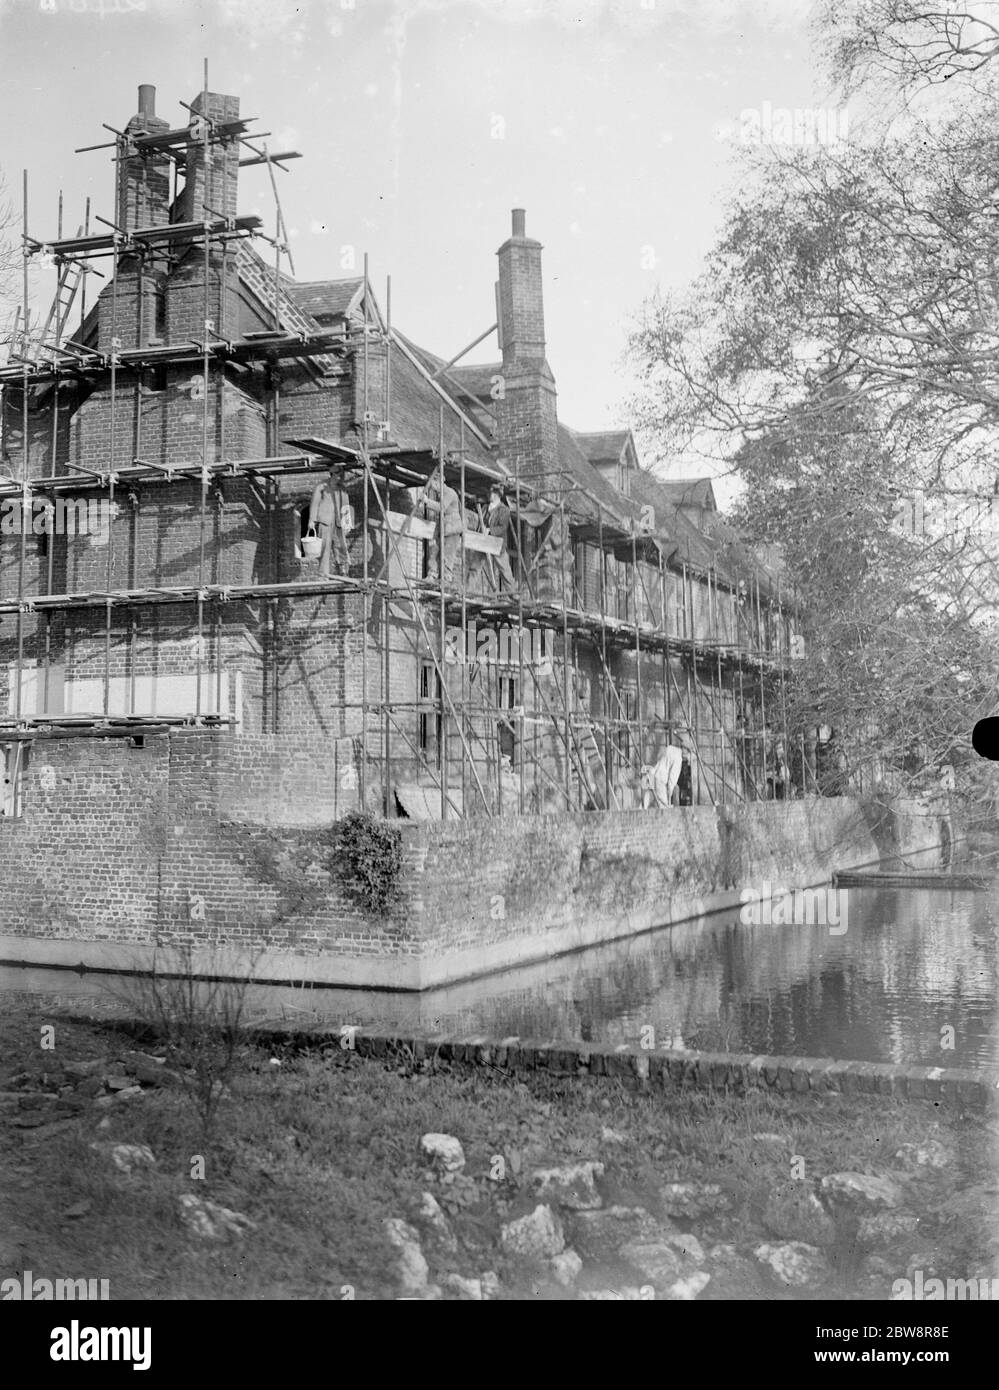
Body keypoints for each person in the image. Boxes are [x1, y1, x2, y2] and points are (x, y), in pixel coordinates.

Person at [307, 468, 350, 578]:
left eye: (342, 475)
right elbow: (315, 503)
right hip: (325, 521)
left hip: (338, 522)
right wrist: (312, 519)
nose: (341, 477)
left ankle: (342, 570)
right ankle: (323, 573)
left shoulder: (342, 488)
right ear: (333, 474)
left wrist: (347, 522)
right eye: (339, 474)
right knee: (324, 547)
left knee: (341, 546)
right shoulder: (321, 486)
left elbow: (346, 505)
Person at [424, 471, 464, 584]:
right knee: (435, 550)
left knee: (447, 554)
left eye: (433, 484)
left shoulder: (450, 493)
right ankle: (432, 574)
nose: (432, 487)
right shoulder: (441, 494)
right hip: (443, 527)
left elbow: (442, 507)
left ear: (438, 482)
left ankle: (446, 578)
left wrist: (427, 501)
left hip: (452, 529)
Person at [483, 484, 516, 592]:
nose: (489, 495)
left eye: (491, 493)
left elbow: (502, 527)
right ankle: (468, 590)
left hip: (497, 543)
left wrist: (490, 530)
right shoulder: (485, 508)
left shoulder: (504, 509)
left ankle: (512, 593)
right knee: (475, 565)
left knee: (504, 569)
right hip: (484, 541)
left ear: (497, 495)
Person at [641, 743, 683, 808]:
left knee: (649, 797)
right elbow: (672, 777)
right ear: (685, 751)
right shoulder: (678, 759)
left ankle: (640, 810)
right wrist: (670, 791)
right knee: (663, 805)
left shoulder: (670, 748)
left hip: (654, 773)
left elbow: (660, 758)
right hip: (661, 779)